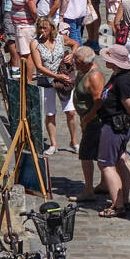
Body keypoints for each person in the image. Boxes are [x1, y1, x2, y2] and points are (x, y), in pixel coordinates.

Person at [89, 44, 130, 217]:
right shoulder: (121, 76)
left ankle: (118, 205)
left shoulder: (122, 80)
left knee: (106, 165)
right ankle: (124, 200)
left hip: (114, 126)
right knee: (119, 160)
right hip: (118, 126)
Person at [32, 17, 76, 155]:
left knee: (70, 111)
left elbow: (75, 44)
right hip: (47, 80)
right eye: (40, 28)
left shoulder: (60, 39)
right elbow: (39, 67)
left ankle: (74, 141)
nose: (42, 31)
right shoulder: (35, 43)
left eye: (45, 28)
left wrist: (72, 55)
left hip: (63, 79)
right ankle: (53, 144)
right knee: (50, 113)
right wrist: (56, 76)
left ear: (51, 28)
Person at [71, 46, 108, 202]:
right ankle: (104, 184)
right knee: (99, 154)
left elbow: (98, 103)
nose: (74, 63)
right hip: (88, 118)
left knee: (86, 155)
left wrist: (86, 120)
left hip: (94, 121)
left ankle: (88, 190)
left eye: (77, 61)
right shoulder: (83, 71)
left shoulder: (94, 77)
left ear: (87, 63)